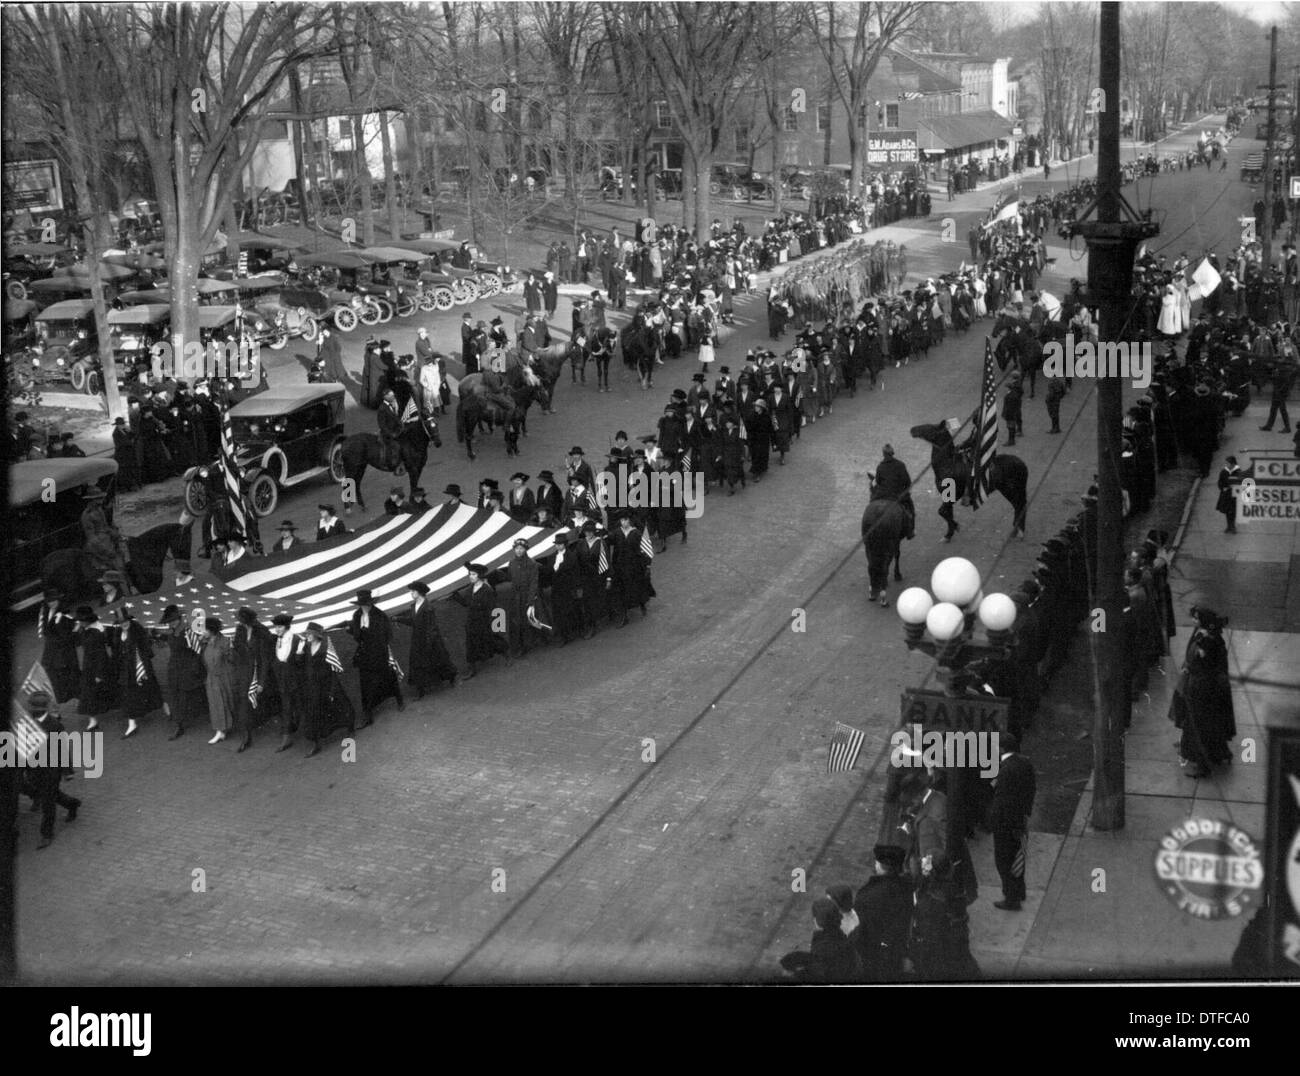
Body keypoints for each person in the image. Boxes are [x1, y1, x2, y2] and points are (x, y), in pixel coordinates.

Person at [1169, 606, 1235, 779]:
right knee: (1206, 724)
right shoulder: (1208, 637)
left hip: (1202, 689)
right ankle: (1213, 754)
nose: (1193, 621)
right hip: (1205, 688)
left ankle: (1202, 765)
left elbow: (1204, 666)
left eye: (1196, 618)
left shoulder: (1208, 641)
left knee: (1200, 727)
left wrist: (1190, 669)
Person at [23, 692, 81, 851]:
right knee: (49, 794)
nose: (35, 710)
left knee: (48, 801)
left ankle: (46, 834)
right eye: (33, 707)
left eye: (38, 708)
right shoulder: (26, 723)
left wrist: (67, 771)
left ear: (45, 709)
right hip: (33, 769)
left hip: (50, 770)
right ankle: (72, 804)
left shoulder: (54, 725)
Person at [852, 844, 914, 982]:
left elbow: (860, 930)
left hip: (874, 954)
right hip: (897, 950)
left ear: (879, 865)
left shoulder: (868, 895)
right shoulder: (906, 886)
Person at [989, 733, 1036, 911]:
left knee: (1004, 860)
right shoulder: (1025, 764)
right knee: (1017, 857)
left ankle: (1011, 898)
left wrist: (995, 820)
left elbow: (1003, 801)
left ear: (1001, 748)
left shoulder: (1006, 769)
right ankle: (1018, 890)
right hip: (1019, 820)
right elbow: (1031, 789)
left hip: (1005, 823)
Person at [348, 589, 405, 726]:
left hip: (379, 653)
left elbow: (386, 636)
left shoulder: (379, 615)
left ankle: (399, 699)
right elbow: (357, 635)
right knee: (366, 684)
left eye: (366, 604)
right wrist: (357, 631)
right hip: (365, 655)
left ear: (371, 603)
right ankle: (368, 713)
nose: (364, 607)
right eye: (362, 604)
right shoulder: (357, 615)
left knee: (389, 677)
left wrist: (369, 634)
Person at [300, 623, 357, 758]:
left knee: (340, 705)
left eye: (309, 634)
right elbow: (303, 664)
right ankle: (316, 743)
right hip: (314, 685)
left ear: (315, 635)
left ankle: (350, 726)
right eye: (306, 634)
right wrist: (299, 654)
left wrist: (332, 689)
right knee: (314, 712)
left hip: (327, 682)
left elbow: (333, 670)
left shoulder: (325, 648)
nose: (306, 636)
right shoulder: (307, 647)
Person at [154, 604, 207, 740]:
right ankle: (179, 723)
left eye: (172, 621)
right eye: (168, 622)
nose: (170, 624)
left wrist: (195, 669)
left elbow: (197, 651)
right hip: (174, 669)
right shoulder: (173, 632)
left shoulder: (188, 631)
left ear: (178, 619)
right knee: (176, 696)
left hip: (187, 669)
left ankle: (182, 721)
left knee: (184, 696)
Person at [400, 580, 459, 696]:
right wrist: (398, 619)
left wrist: (429, 642)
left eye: (413, 591)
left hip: (430, 640)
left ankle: (451, 677)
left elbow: (431, 627)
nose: (411, 593)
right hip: (418, 639)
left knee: (440, 660)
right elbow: (413, 621)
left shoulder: (428, 607)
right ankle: (420, 688)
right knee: (419, 663)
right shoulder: (414, 606)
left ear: (420, 592)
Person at [112, 605, 162, 740]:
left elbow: (146, 649)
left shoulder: (137, 630)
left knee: (150, 688)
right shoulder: (117, 633)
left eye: (126, 621)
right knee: (128, 695)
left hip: (139, 667)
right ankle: (132, 723)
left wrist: (141, 663)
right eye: (121, 623)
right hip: (125, 669)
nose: (124, 624)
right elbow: (116, 650)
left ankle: (166, 708)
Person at [459, 562, 511, 676]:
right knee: (471, 643)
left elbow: (491, 607)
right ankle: (472, 668)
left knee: (493, 639)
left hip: (484, 620)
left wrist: (493, 623)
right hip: (472, 620)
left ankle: (507, 655)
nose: (471, 577)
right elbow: (467, 603)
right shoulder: (470, 589)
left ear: (479, 576)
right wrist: (457, 598)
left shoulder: (486, 590)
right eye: (470, 574)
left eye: (473, 574)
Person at [268, 613, 306, 753]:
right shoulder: (277, 640)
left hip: (296, 680)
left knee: (301, 705)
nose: (277, 629)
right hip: (283, 681)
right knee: (286, 707)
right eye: (276, 627)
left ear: (286, 627)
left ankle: (312, 733)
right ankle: (286, 737)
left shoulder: (297, 640)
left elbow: (300, 663)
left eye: (280, 627)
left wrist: (299, 656)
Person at [73, 606, 115, 730]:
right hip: (89, 666)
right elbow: (77, 642)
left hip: (96, 667)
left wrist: (99, 674)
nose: (79, 622)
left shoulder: (95, 633)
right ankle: (93, 719)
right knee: (89, 693)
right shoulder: (88, 630)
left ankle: (93, 720)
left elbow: (101, 654)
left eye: (81, 621)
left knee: (90, 694)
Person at [38, 587, 80, 705]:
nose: (52, 603)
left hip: (64, 650)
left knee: (69, 674)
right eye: (50, 601)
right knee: (54, 674)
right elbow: (45, 630)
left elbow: (70, 633)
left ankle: (77, 696)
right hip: (52, 649)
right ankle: (63, 697)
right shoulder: (46, 612)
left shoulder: (64, 614)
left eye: (54, 600)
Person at [503, 538, 542, 656]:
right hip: (515, 597)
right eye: (517, 549)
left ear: (525, 550)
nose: (519, 551)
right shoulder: (511, 563)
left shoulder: (532, 564)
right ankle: (518, 646)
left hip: (527, 595)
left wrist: (530, 599)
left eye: (521, 549)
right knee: (516, 621)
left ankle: (531, 642)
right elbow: (511, 579)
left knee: (529, 620)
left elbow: (534, 582)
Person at [201, 616, 236, 744]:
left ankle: (223, 729)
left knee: (224, 703)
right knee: (215, 704)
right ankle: (220, 730)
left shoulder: (225, 642)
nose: (203, 632)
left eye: (205, 630)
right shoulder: (206, 643)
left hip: (223, 677)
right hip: (211, 678)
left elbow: (232, 660)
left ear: (211, 630)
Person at [1216, 456, 1242, 533]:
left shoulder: (1238, 472)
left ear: (1233, 464)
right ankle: (1229, 526)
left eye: (1228, 463)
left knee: (1233, 511)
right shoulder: (1224, 472)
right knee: (1227, 511)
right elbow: (1220, 482)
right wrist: (1222, 487)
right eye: (1226, 463)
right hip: (1226, 495)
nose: (1226, 465)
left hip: (1234, 495)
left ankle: (1232, 526)